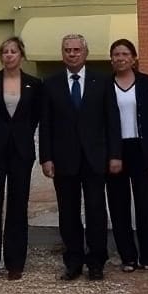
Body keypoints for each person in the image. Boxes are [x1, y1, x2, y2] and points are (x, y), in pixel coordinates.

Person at [39, 34, 122, 281]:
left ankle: (96, 261)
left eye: (76, 50)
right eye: (67, 50)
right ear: (62, 53)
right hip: (64, 159)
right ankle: (73, 261)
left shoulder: (103, 80)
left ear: (85, 53)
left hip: (95, 157)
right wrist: (46, 157)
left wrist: (115, 154)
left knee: (96, 210)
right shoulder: (51, 83)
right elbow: (46, 124)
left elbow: (112, 120)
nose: (72, 54)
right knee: (68, 212)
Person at [0, 36, 42, 281]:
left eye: (13, 51)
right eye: (5, 52)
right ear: (1, 56)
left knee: (18, 205)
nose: (9, 55)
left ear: (21, 55)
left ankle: (15, 262)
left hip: (21, 151)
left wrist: (20, 135)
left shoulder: (34, 84)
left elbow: (34, 117)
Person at [105, 38, 148, 272]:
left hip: (141, 150)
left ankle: (147, 255)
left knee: (143, 204)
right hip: (115, 152)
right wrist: (110, 154)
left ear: (133, 57)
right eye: (115, 55)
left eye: (124, 54)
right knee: (118, 206)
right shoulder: (104, 85)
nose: (120, 58)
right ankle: (127, 256)